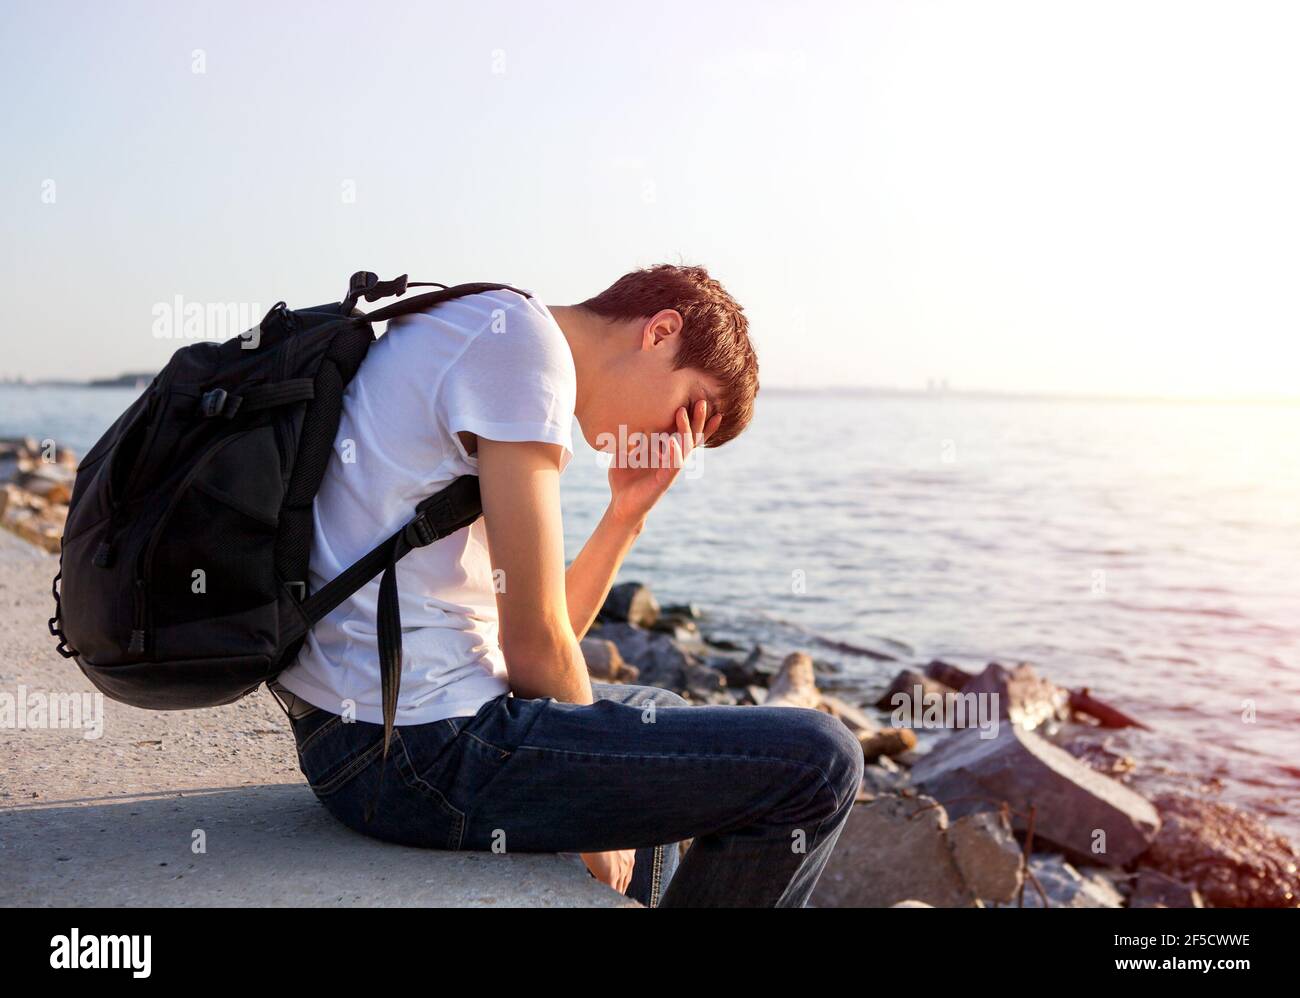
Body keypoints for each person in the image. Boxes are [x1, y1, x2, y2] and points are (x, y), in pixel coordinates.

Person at [269, 264, 863, 907]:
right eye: (686, 413)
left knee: (658, 705)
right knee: (821, 760)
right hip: (412, 753)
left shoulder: (485, 325)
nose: (675, 443)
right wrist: (603, 820)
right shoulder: (521, 347)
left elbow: (530, 638)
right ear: (660, 332)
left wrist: (625, 516)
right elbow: (536, 648)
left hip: (361, 732)